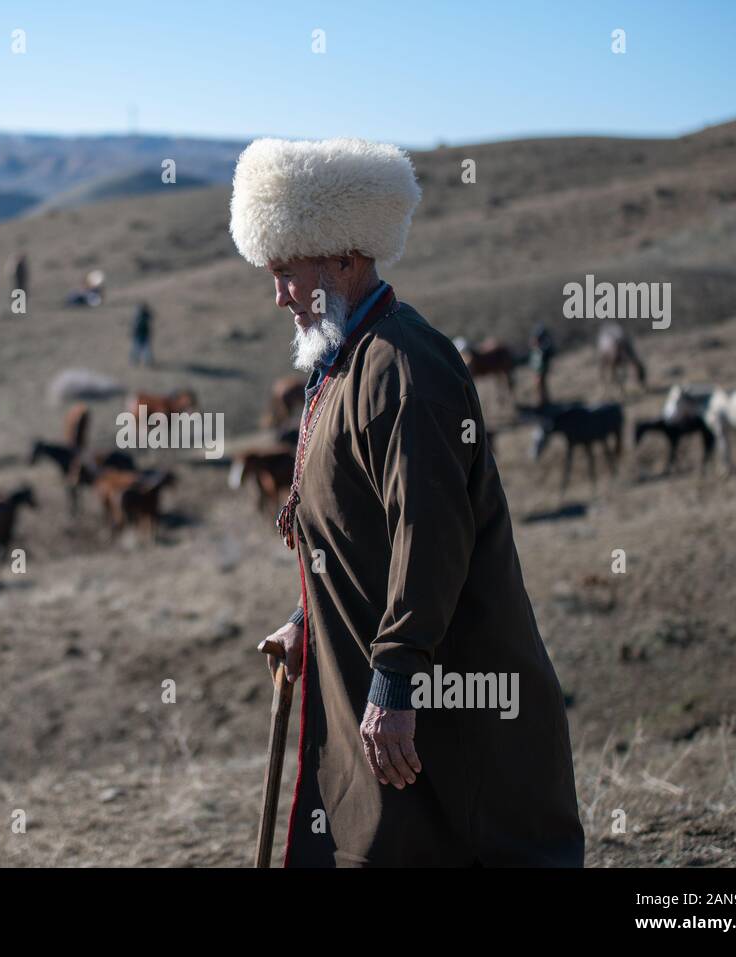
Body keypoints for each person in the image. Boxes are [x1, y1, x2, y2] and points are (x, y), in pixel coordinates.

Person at [230, 136, 584, 867]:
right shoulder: (349, 360)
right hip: (389, 692)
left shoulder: (402, 366)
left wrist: (395, 679)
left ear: (344, 259)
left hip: (443, 704)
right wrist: (308, 618)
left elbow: (431, 536)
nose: (278, 296)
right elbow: (365, 529)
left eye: (285, 273)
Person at [529, 322, 557, 407]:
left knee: (540, 384)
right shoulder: (537, 349)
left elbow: (545, 355)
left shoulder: (543, 347)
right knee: (540, 385)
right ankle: (542, 400)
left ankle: (543, 401)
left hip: (541, 369)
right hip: (538, 369)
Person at [130, 301, 153, 366]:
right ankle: (134, 361)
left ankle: (147, 362)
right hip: (138, 335)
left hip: (144, 334)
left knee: (146, 349)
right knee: (136, 349)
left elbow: (151, 317)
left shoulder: (145, 314)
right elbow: (135, 326)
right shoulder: (137, 315)